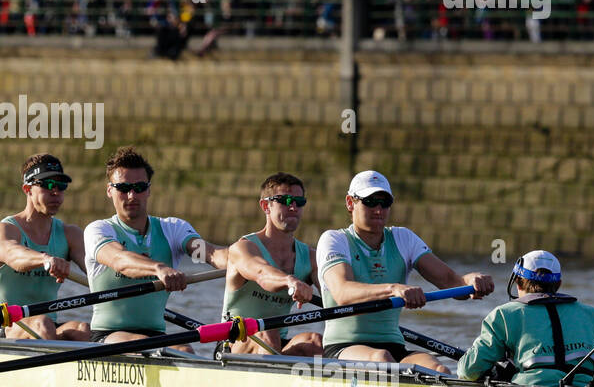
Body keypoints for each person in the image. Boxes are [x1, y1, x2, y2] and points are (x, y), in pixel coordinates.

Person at [317, 170, 493, 372]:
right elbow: (342, 293)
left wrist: (472, 281)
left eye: (385, 203)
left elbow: (450, 280)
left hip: (394, 347)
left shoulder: (403, 238)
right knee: (382, 359)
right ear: (350, 202)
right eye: (370, 201)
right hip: (343, 348)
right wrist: (394, 289)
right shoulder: (334, 240)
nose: (378, 209)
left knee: (439, 371)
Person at [84, 146, 227, 347]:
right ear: (110, 191)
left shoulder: (173, 229)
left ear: (149, 189)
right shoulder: (99, 230)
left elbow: (210, 254)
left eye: (139, 188)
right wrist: (159, 268)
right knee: (150, 346)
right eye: (123, 189)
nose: (132, 196)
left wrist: (245, 261)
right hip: (107, 336)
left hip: (155, 336)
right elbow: (119, 260)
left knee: (183, 349)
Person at [458, 250, 594, 387]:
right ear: (558, 284)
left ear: (517, 282)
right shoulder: (590, 314)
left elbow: (468, 371)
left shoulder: (504, 314)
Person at [0, 154, 91, 341]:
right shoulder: (3, 230)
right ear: (27, 189)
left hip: (46, 326)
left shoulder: (70, 234)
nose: (56, 192)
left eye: (61, 186)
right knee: (42, 324)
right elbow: (12, 255)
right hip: (4, 325)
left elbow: (98, 270)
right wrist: (45, 259)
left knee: (83, 329)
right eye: (48, 185)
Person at [222, 172, 323, 356]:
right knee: (266, 333)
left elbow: (335, 294)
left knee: (315, 342)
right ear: (265, 206)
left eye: (299, 202)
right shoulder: (242, 249)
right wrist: (290, 281)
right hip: (235, 342)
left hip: (278, 342)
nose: (293, 207)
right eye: (285, 200)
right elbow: (262, 273)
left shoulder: (310, 257)